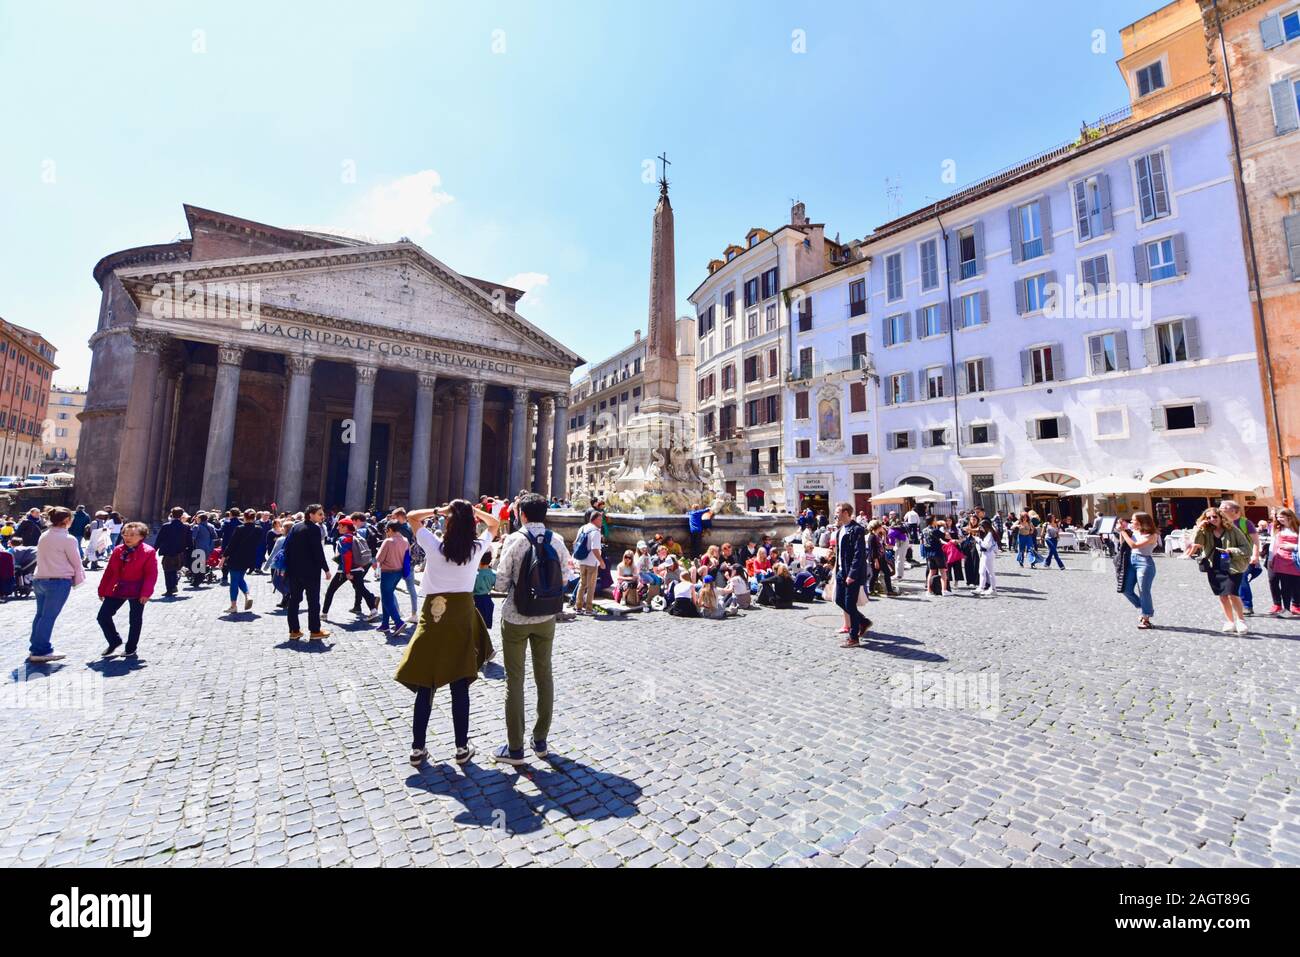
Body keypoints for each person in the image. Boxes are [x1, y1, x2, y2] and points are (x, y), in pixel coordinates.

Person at [395, 500, 498, 767]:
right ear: (471, 524)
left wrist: (440, 511)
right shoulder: (476, 549)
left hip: (433, 615)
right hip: (461, 616)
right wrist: (473, 512)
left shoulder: (435, 546)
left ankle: (418, 749)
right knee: (459, 683)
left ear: (449, 523)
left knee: (425, 684)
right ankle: (462, 747)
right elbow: (495, 524)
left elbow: (412, 516)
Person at [491, 493, 572, 764]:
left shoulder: (514, 540)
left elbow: (501, 582)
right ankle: (540, 740)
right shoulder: (557, 540)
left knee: (514, 680)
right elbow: (565, 577)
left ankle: (515, 748)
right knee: (544, 676)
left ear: (522, 515)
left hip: (516, 616)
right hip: (546, 617)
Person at [28, 507, 85, 664]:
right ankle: (41, 650)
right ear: (66, 520)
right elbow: (76, 561)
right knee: (48, 616)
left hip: (40, 579)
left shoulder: (44, 535)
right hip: (58, 581)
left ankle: (36, 646)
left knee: (41, 615)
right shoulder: (68, 538)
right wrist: (79, 579)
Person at [1186, 506, 1252, 634]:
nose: (1212, 519)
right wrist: (1199, 527)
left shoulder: (1233, 530)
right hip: (1214, 566)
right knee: (1222, 596)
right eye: (1208, 517)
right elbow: (1195, 542)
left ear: (1221, 517)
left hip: (1232, 566)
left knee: (1233, 593)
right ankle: (1229, 621)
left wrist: (1230, 551)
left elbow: (1247, 549)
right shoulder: (1205, 531)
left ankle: (1240, 621)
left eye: (1215, 517)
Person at [97, 521, 158, 658]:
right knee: (103, 616)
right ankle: (114, 641)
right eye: (125, 534)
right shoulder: (118, 549)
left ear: (141, 536)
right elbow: (109, 571)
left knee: (135, 620)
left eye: (132, 535)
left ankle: (131, 647)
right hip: (118, 587)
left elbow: (151, 574)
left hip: (138, 588)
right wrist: (102, 589)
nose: (127, 537)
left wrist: (146, 592)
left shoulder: (148, 551)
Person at [283, 505, 332, 641]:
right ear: (311, 515)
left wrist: (288, 567)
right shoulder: (315, 529)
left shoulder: (295, 526)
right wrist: (326, 569)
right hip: (310, 572)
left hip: (294, 570)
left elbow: (287, 547)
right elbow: (318, 551)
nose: (322, 517)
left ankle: (294, 630)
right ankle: (315, 631)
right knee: (313, 602)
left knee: (294, 601)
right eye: (320, 514)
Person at [322, 518, 378, 619]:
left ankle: (324, 614)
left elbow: (346, 557)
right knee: (362, 589)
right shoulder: (356, 536)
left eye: (340, 526)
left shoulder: (344, 539)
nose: (338, 527)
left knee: (331, 590)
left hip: (345, 570)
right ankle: (373, 610)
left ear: (346, 527)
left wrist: (347, 572)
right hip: (358, 568)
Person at [833, 502, 871, 647]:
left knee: (849, 603)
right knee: (839, 600)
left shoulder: (857, 530)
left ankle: (853, 637)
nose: (836, 515)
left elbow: (859, 554)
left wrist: (852, 574)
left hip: (851, 574)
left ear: (846, 512)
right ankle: (863, 621)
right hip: (841, 572)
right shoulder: (840, 530)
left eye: (838, 512)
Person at [1117, 512, 1160, 629]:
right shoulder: (1134, 531)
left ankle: (1146, 618)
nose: (1131, 522)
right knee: (1125, 589)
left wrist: (1122, 532)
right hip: (1131, 561)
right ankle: (1144, 608)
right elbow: (1123, 544)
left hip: (1144, 563)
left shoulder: (1152, 535)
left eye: (1133, 520)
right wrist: (1122, 532)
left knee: (1143, 590)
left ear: (1141, 522)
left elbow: (1134, 545)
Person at [1219, 500, 1261, 617]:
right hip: (1226, 556)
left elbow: (1255, 541)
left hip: (1243, 557)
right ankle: (1234, 604)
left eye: (1223, 507)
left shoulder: (1245, 523)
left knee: (1241, 580)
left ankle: (1247, 605)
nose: (1220, 509)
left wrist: (1255, 555)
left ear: (1233, 510)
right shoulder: (1222, 523)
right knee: (1227, 580)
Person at [222, 509, 262, 614]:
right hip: (248, 558)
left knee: (234, 581)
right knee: (240, 578)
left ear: (244, 517)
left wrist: (223, 558)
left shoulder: (240, 529)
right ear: (254, 518)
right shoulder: (259, 529)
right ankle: (247, 595)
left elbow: (231, 545)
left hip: (236, 558)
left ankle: (233, 606)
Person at [375, 522, 411, 635]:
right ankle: (385, 624)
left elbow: (379, 558)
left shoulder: (388, 541)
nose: (386, 532)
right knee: (388, 596)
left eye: (386, 530)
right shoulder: (405, 540)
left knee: (386, 599)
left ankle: (398, 622)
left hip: (388, 572)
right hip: (399, 572)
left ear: (390, 529)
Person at [1266, 507, 1300, 617]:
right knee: (1281, 584)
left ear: (1289, 517)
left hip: (1294, 559)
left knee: (1292, 584)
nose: (1279, 519)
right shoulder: (1277, 528)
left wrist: (1293, 546)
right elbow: (1273, 544)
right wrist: (1270, 559)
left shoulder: (1298, 528)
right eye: (1278, 517)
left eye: (1282, 517)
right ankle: (1285, 608)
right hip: (1280, 559)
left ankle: (1295, 605)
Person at [153, 506, 192, 597]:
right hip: (180, 552)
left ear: (172, 515)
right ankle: (173, 585)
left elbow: (159, 539)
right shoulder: (186, 527)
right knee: (175, 569)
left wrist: (153, 550)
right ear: (181, 515)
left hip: (168, 551)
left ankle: (169, 589)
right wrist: (190, 550)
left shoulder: (166, 526)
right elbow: (189, 541)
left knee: (168, 571)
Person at [572, 507, 604, 616]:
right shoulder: (595, 531)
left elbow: (575, 543)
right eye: (600, 520)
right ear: (594, 519)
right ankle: (589, 609)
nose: (601, 522)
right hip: (592, 562)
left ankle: (578, 607)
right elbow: (595, 549)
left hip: (582, 561)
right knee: (591, 586)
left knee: (582, 584)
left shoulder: (582, 528)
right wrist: (602, 562)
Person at [473, 550, 496, 630]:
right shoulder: (493, 573)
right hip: (487, 599)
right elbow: (496, 586)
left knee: (476, 623)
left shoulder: (475, 574)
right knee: (485, 624)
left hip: (476, 599)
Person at [975, 519, 999, 596]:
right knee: (981, 571)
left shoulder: (989, 534)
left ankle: (993, 589)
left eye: (981, 527)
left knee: (990, 572)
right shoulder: (988, 533)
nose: (980, 528)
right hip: (985, 553)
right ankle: (981, 587)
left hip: (988, 553)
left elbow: (986, 545)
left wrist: (978, 540)